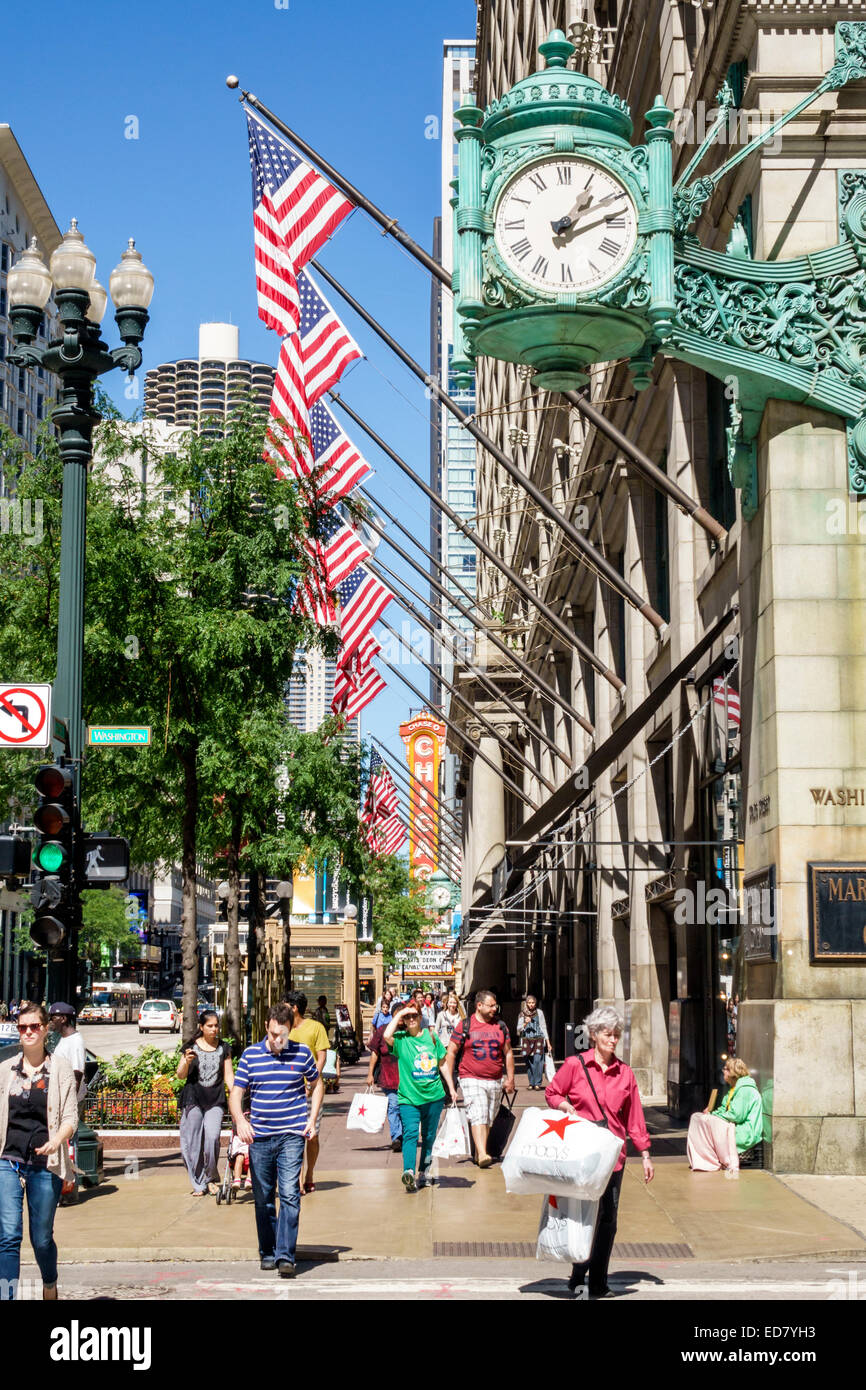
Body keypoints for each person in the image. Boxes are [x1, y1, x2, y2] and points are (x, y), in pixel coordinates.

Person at [545, 1005, 654, 1300]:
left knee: (608, 1219)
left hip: (613, 1157)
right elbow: (552, 1092)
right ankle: (579, 1271)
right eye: (608, 1033)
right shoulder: (574, 1065)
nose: (614, 1039)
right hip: (582, 1155)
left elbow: (634, 1118)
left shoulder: (625, 1073)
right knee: (582, 1216)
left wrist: (644, 1153)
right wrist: (564, 1106)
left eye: (617, 1034)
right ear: (593, 1035)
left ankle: (598, 1282)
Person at [229, 1003, 323, 1277]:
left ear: (290, 1030)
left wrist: (311, 1119)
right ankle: (267, 1251)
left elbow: (317, 1085)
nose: (277, 1040)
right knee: (263, 1197)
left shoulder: (302, 1053)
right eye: (272, 1034)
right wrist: (241, 1121)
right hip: (260, 1136)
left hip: (292, 1134)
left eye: (282, 1035)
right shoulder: (250, 1056)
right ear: (267, 1026)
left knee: (291, 1194)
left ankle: (285, 1255)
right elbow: (236, 1094)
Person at [0, 1001, 78, 1300]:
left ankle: (49, 1282)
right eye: (23, 1027)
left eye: (34, 1026)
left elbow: (71, 1117)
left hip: (46, 1163)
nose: (28, 1032)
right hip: (8, 1159)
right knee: (8, 1237)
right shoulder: (6, 1069)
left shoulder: (60, 1069)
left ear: (45, 1029)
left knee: (42, 1239)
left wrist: (57, 1140)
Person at [384, 999, 457, 1193]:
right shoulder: (400, 1039)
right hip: (408, 1098)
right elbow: (386, 1035)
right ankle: (408, 1170)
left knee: (429, 1137)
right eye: (407, 1017)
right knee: (410, 1134)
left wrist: (451, 1088)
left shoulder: (431, 1037)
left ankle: (424, 1171)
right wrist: (400, 1013)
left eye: (414, 1015)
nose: (411, 1019)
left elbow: (442, 1063)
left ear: (420, 1017)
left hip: (433, 1097)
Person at [441, 988, 514, 1168]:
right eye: (490, 1006)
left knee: (488, 1117)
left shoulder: (501, 1026)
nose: (494, 1009)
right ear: (479, 1005)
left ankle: (478, 1151)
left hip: (495, 1079)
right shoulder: (465, 1025)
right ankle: (482, 1153)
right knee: (478, 1114)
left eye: (495, 1006)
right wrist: (451, 1082)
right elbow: (451, 1051)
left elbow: (508, 1052)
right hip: (471, 1077)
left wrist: (510, 1078)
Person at [176, 1010, 234, 1197]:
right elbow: (180, 1075)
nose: (214, 1029)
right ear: (201, 1027)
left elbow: (229, 1076)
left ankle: (210, 1177)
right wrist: (186, 1061)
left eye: (216, 1025)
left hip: (215, 1100)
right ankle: (199, 1183)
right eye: (210, 1026)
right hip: (193, 1099)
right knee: (192, 1143)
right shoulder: (190, 1047)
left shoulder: (224, 1048)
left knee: (212, 1138)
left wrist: (236, 1095)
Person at [285, 990, 329, 1196]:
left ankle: (309, 1173)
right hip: (289, 1091)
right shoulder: (282, 1028)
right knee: (294, 1137)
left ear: (294, 1007)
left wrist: (312, 1083)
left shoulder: (316, 1027)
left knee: (312, 1136)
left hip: (312, 1090)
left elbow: (321, 1057)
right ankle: (298, 1179)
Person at [687, 1058, 763, 1171]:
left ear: (733, 1072)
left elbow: (737, 1116)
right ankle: (704, 1159)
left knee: (707, 1122)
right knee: (697, 1118)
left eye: (726, 1069)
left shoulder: (744, 1090)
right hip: (734, 1125)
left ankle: (712, 1160)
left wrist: (713, 1115)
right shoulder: (734, 1089)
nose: (723, 1071)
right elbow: (724, 1109)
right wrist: (712, 1113)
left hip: (744, 1130)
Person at [367, 1017, 403, 1152]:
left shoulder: (408, 1030)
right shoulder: (383, 1030)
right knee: (394, 1106)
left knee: (404, 1108)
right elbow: (375, 1052)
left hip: (406, 1079)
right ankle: (397, 1137)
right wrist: (370, 1073)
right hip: (388, 1077)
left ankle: (404, 1135)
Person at [516, 994, 550, 1090]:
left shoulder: (539, 1013)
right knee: (529, 1062)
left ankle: (537, 1083)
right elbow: (518, 1029)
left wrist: (548, 1042)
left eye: (533, 1003)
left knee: (538, 1061)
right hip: (527, 1040)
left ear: (535, 1003)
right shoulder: (522, 1014)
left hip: (538, 1039)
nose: (531, 1005)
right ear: (526, 1004)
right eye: (529, 1003)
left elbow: (543, 1027)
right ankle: (531, 1082)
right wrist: (525, 1023)